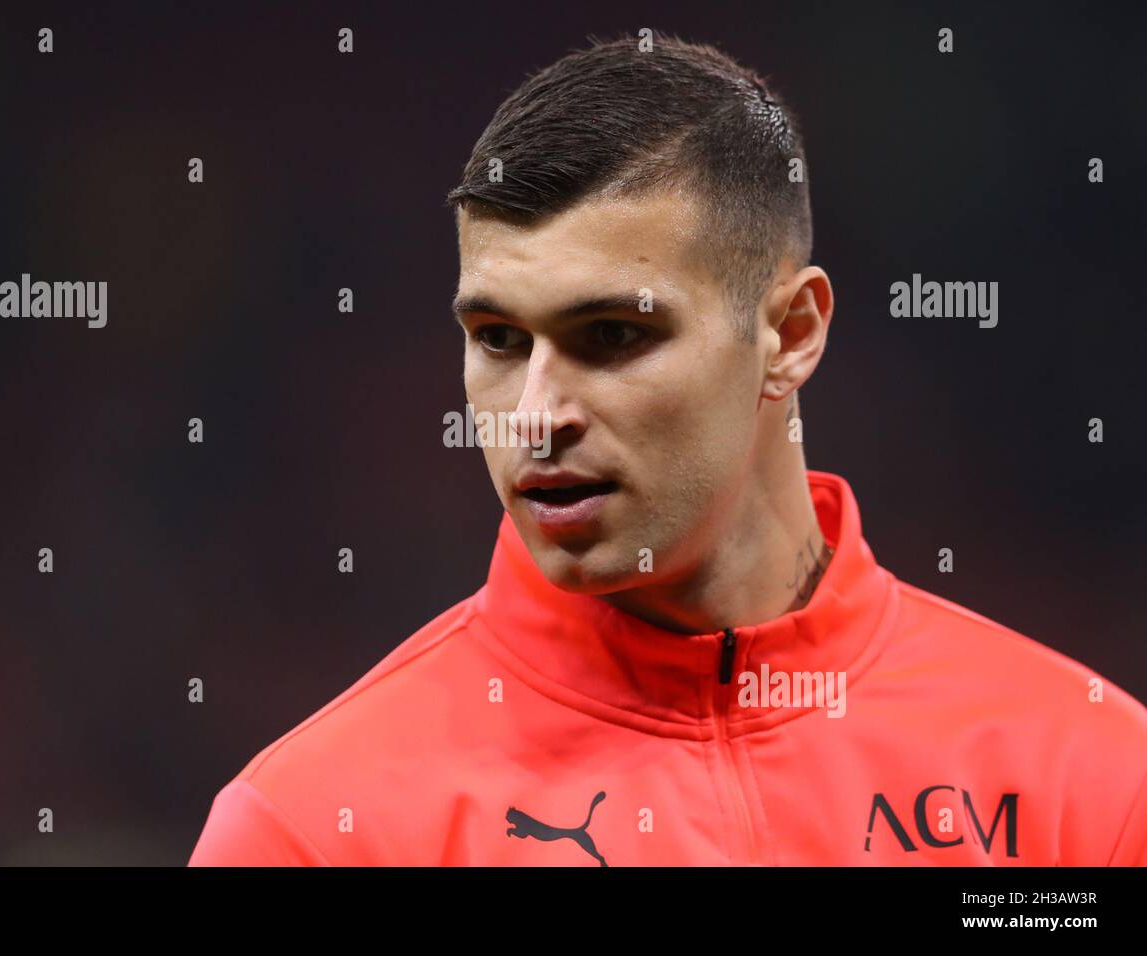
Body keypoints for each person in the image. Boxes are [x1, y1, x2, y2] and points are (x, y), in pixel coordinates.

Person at [188, 31, 1147, 866]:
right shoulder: (314, 832)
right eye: (498, 339)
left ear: (792, 332)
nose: (536, 415)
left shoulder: (1090, 781)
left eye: (613, 334)